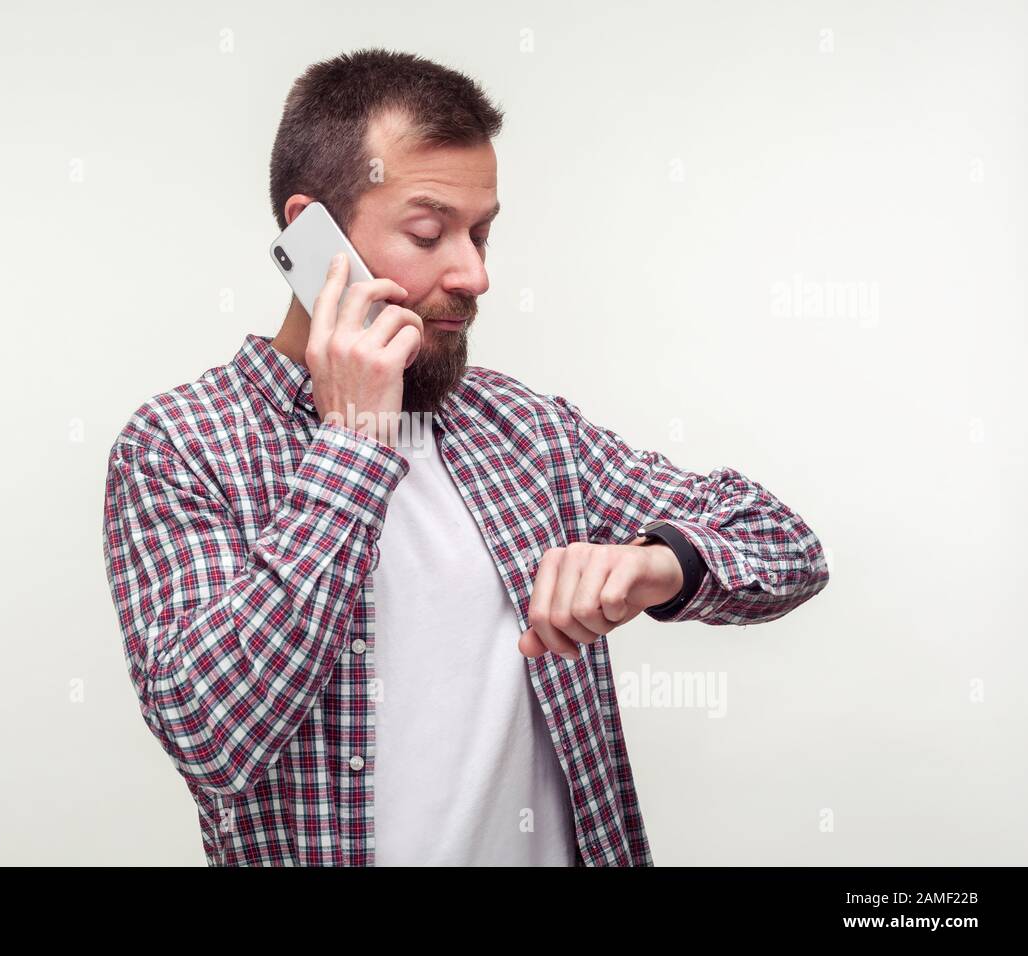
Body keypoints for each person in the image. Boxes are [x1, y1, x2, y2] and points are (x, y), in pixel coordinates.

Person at [101, 47, 830, 866]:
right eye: (429, 231)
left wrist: (663, 564)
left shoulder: (523, 429)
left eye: (481, 234)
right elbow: (211, 736)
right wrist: (352, 444)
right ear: (312, 237)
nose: (475, 273)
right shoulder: (181, 446)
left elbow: (787, 545)